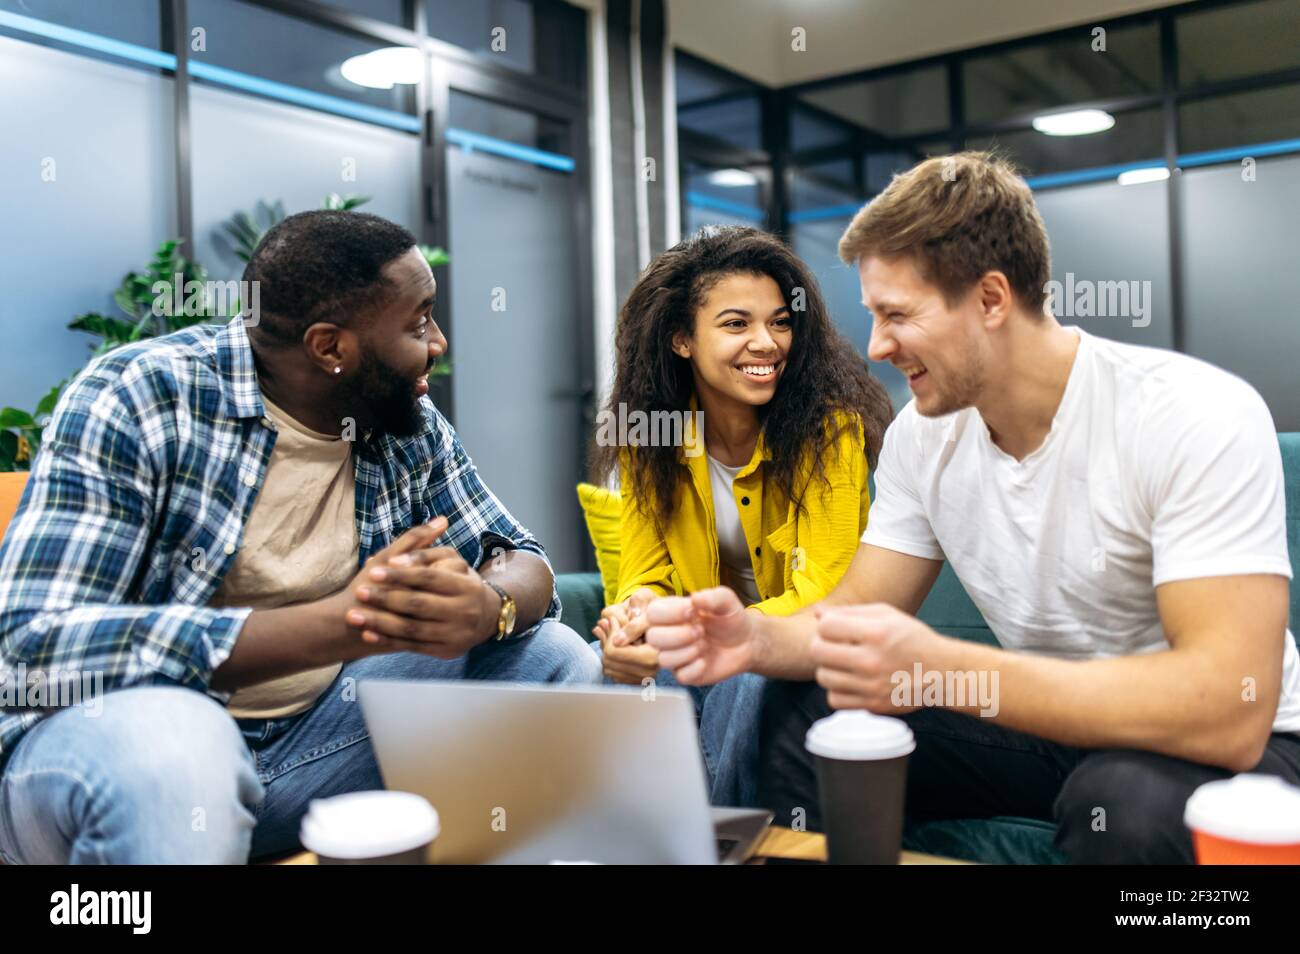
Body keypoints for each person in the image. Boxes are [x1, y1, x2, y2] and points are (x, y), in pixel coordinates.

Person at [643, 153, 1300, 863]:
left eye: (897, 315)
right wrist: (753, 641)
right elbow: (858, 611)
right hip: (1053, 736)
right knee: (804, 712)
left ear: (991, 300)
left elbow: (1228, 708)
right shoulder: (924, 438)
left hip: (1240, 746)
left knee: (1122, 801)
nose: (877, 347)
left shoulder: (1192, 414)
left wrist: (944, 669)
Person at [0, 210, 600, 864]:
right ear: (328, 347)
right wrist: (339, 625)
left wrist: (493, 605)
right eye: (418, 321)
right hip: (114, 759)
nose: (439, 341)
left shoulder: (403, 417)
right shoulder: (144, 395)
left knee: (550, 659)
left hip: (306, 751)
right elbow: (32, 644)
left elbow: (516, 556)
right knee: (181, 742)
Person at [590, 226, 892, 806]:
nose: (768, 343)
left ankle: (727, 840)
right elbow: (643, 575)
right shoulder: (649, 441)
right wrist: (634, 619)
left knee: (744, 670)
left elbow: (823, 589)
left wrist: (717, 635)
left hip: (808, 649)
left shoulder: (830, 431)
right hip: (708, 647)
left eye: (780, 322)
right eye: (736, 324)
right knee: (618, 669)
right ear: (682, 339)